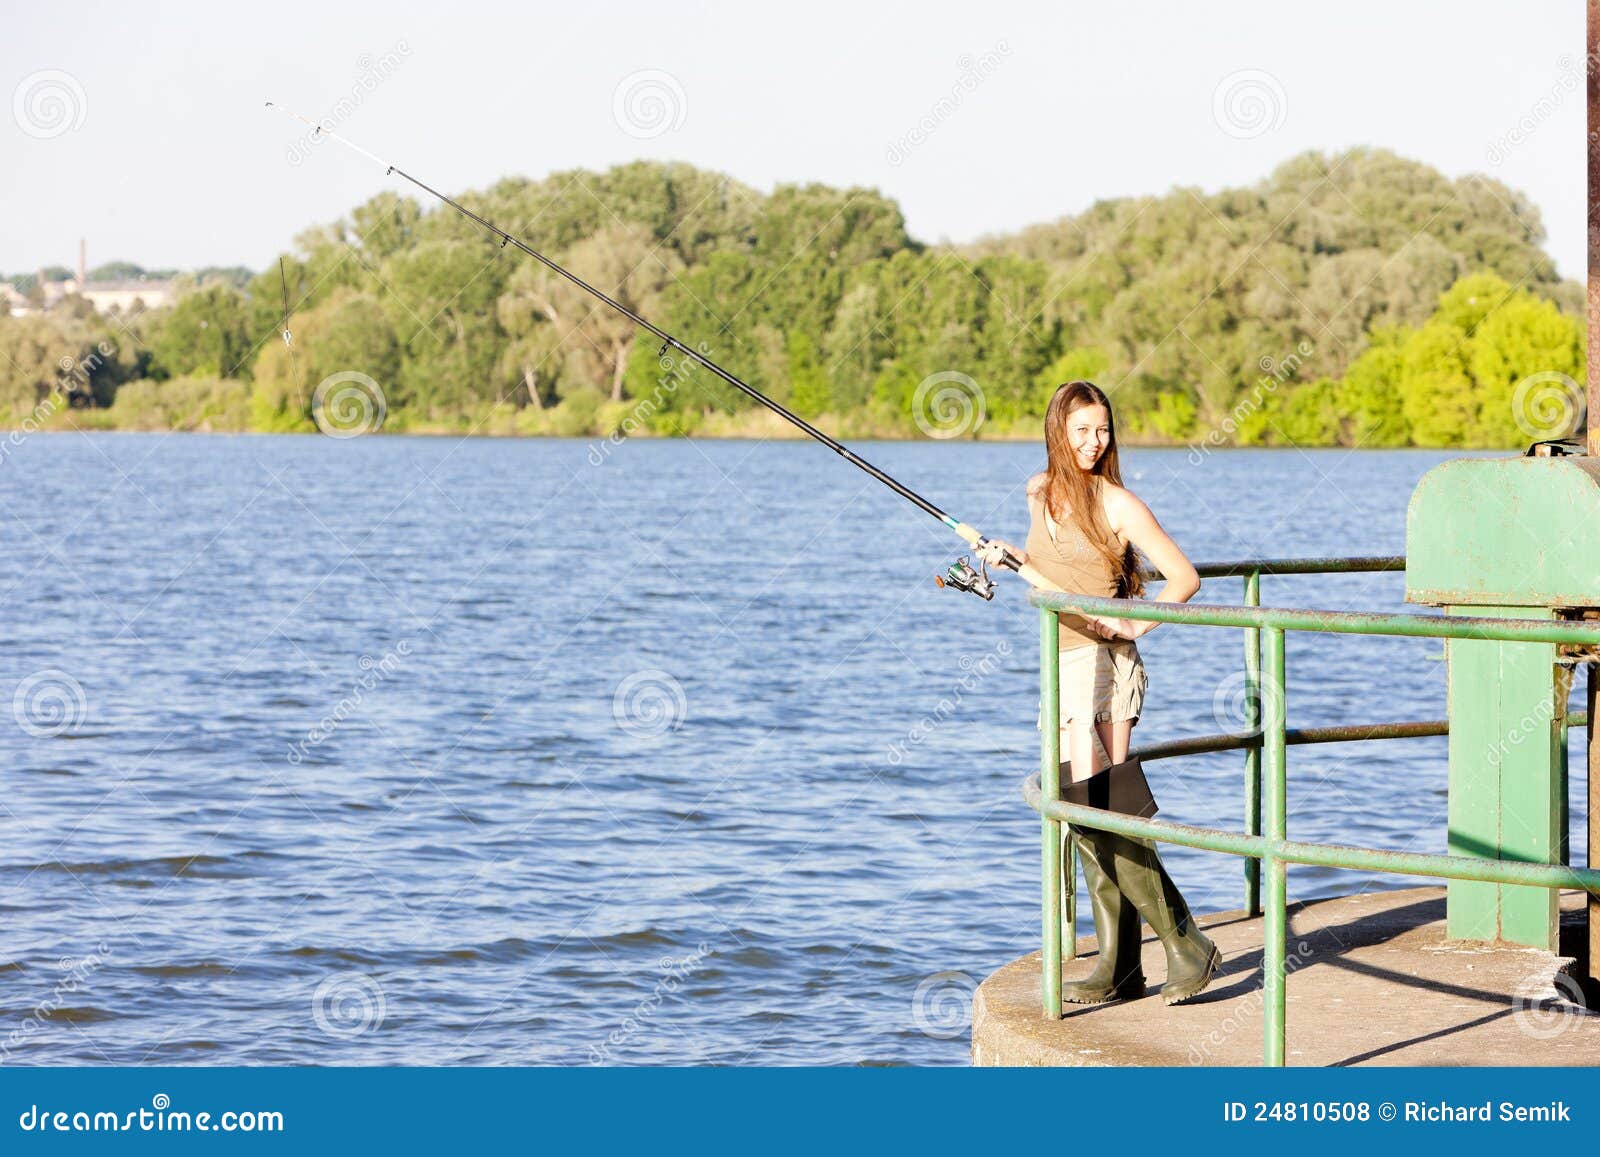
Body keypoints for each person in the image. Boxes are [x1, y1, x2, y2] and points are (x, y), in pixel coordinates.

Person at [977, 381, 1222, 1006]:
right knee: (1087, 809)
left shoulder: (1118, 503)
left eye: (1103, 430)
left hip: (1105, 668)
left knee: (1101, 804)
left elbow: (1184, 578)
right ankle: (1120, 967)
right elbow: (1050, 572)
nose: (1093, 442)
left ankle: (1188, 943)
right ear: (1057, 430)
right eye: (1081, 429)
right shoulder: (1040, 491)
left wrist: (1135, 623)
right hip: (1060, 667)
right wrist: (1009, 558)